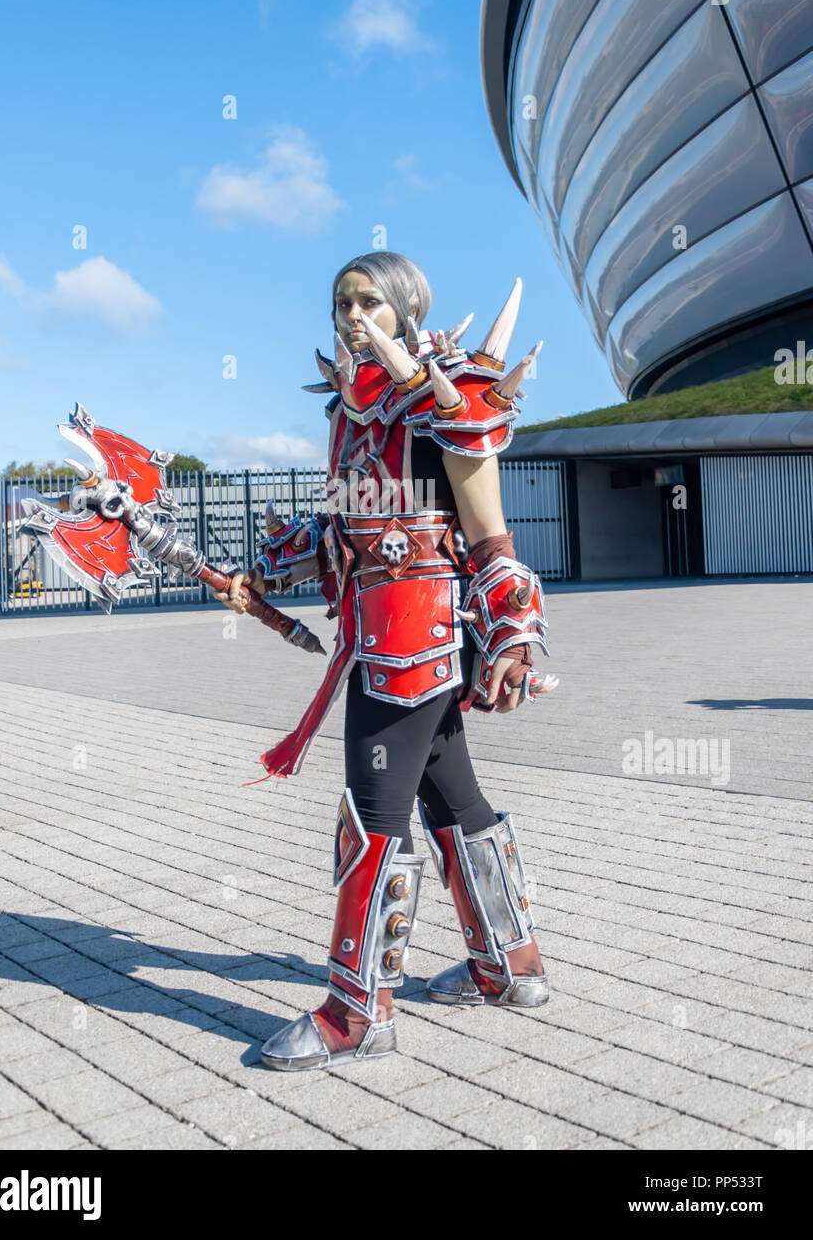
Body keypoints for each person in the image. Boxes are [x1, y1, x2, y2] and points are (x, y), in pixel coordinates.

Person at [216, 251, 558, 1071]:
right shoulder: (351, 405)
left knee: (371, 817)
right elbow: (350, 527)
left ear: (404, 307)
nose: (351, 315)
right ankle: (508, 965)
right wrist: (268, 571)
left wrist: (514, 634)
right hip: (376, 637)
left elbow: (488, 535)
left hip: (416, 639)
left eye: (368, 301)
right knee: (454, 799)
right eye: (341, 302)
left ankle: (355, 1010)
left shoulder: (444, 394)